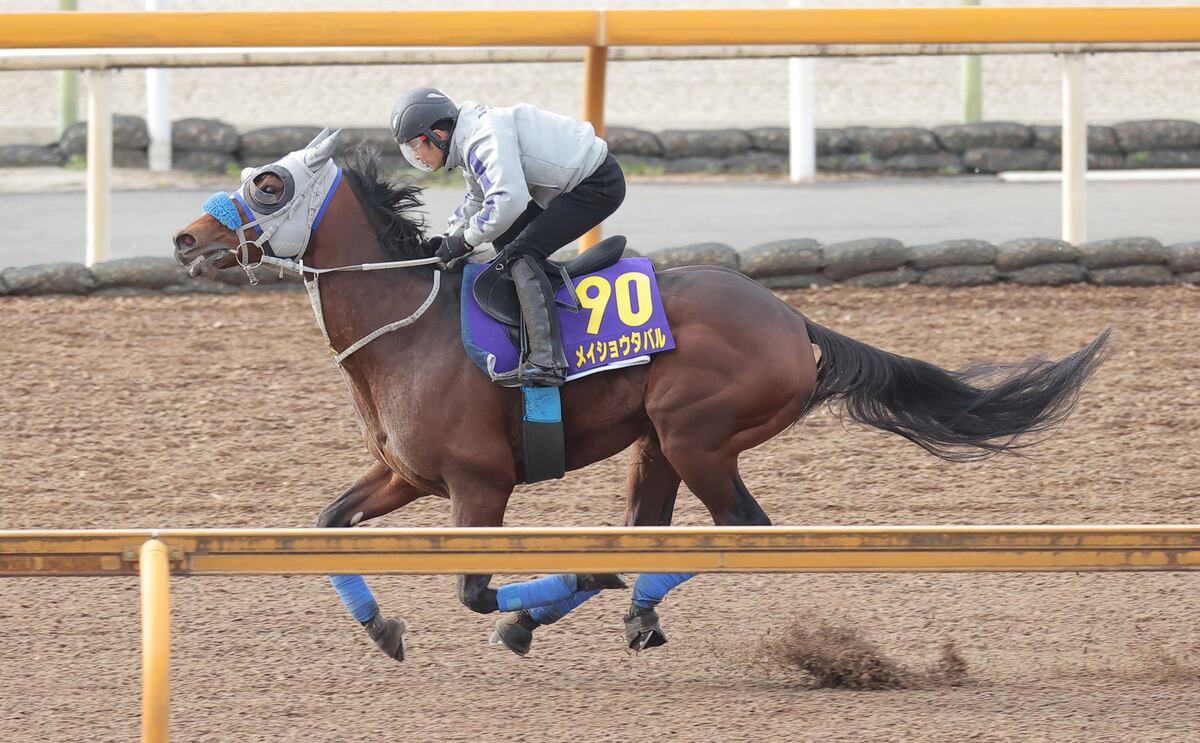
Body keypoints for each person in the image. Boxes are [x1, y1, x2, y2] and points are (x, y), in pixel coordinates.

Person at [390, 87, 626, 387]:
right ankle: (540, 302)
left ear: (437, 134)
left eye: (414, 146)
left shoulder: (482, 138)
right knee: (505, 239)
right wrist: (449, 236)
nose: (415, 156)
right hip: (568, 185)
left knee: (520, 252)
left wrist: (465, 241)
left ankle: (547, 359)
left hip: (596, 184)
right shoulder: (467, 139)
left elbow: (507, 201)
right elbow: (478, 198)